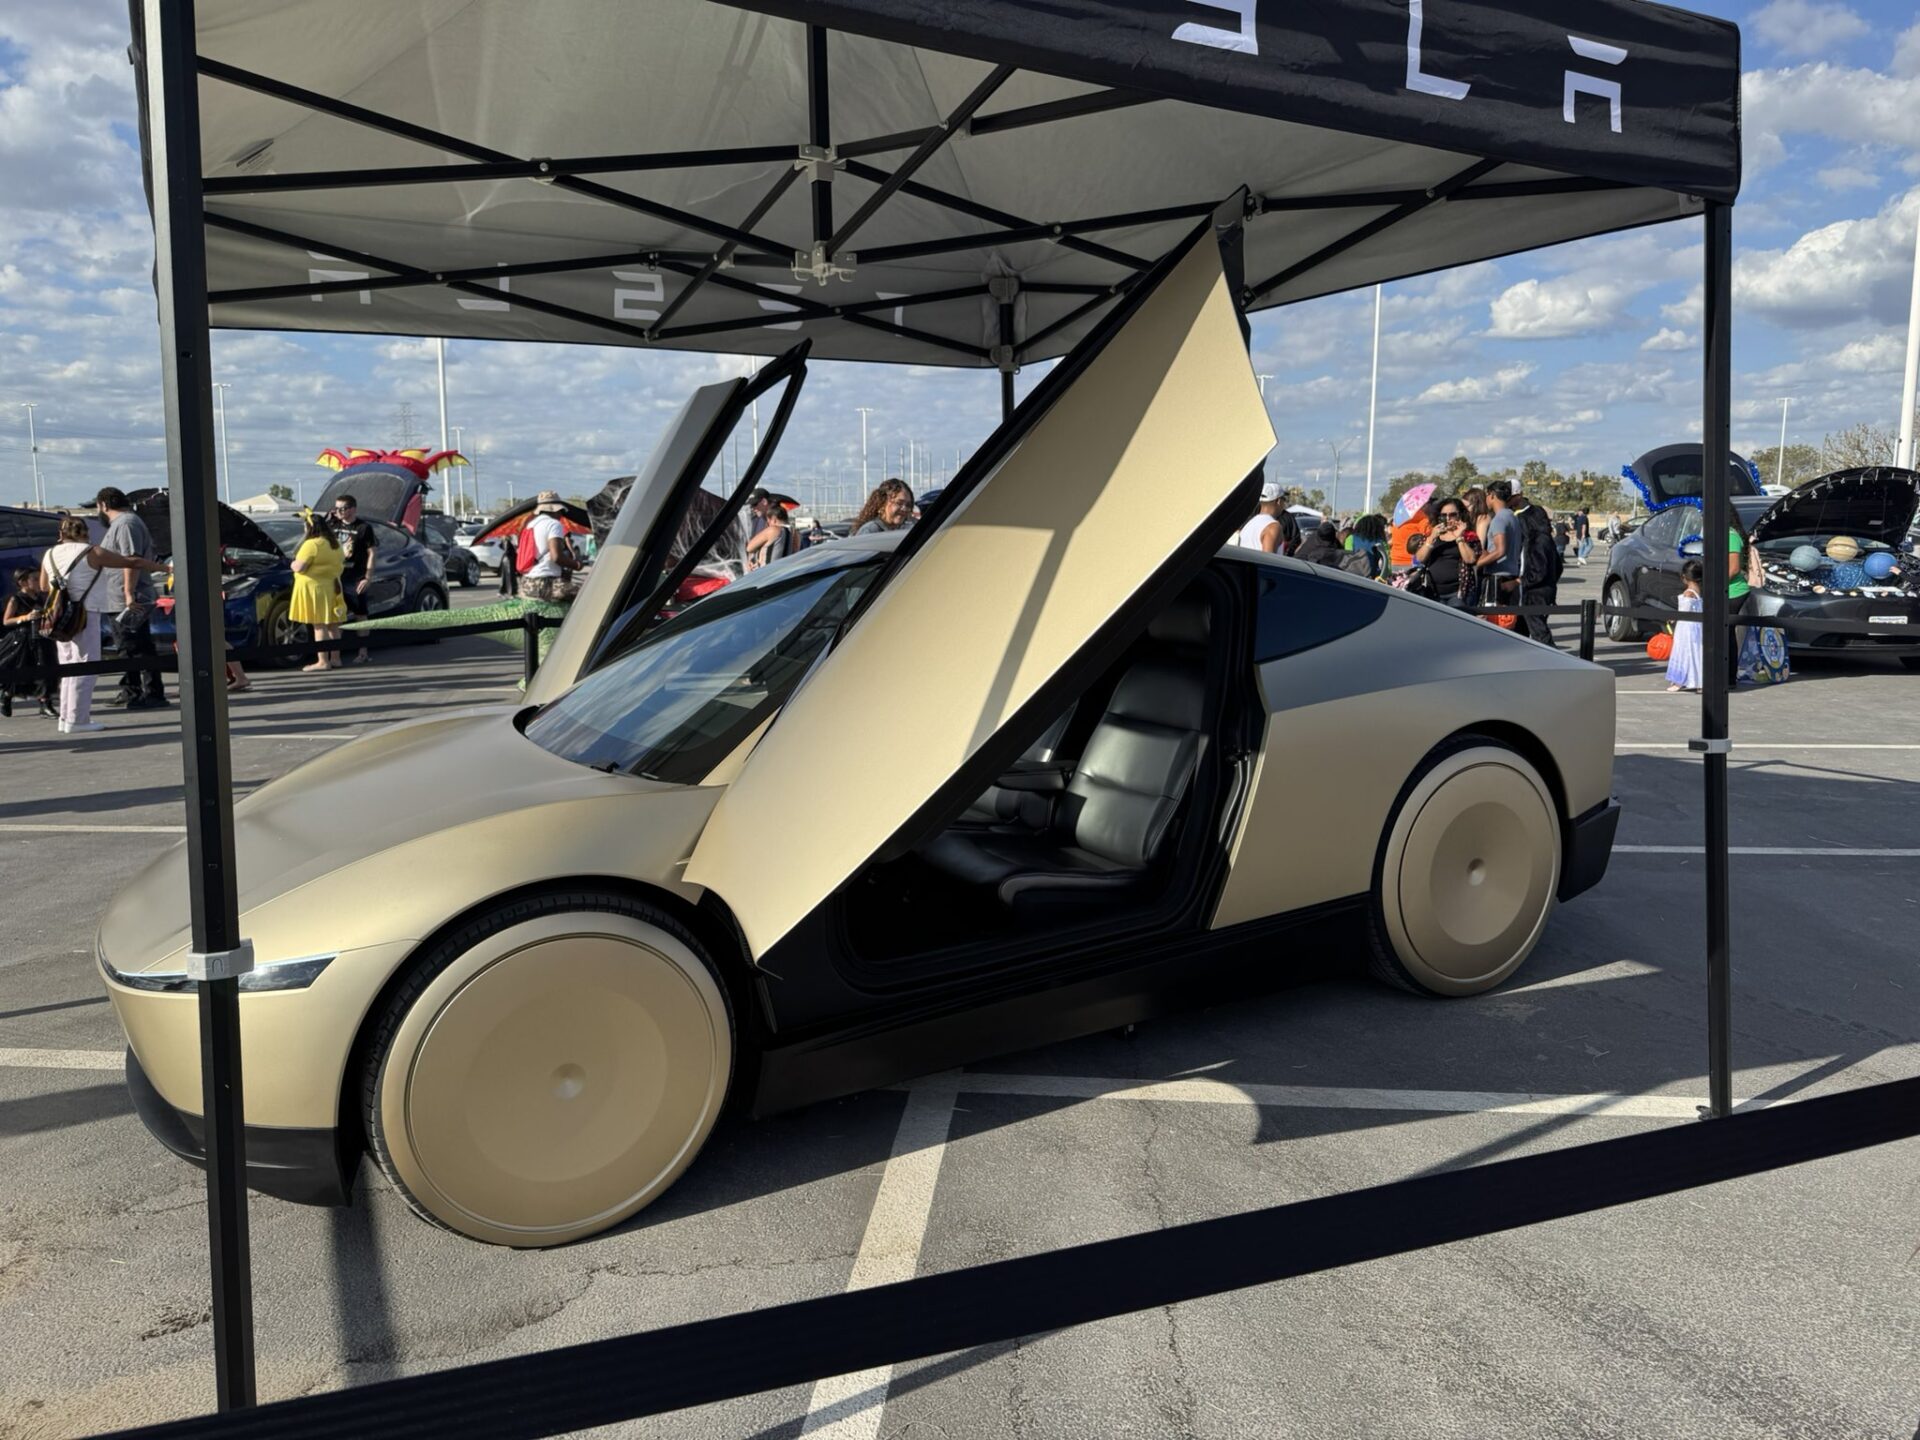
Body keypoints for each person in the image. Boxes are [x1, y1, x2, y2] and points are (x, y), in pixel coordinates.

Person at [39, 516, 167, 734]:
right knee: (87, 665)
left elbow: (43, 586)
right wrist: (164, 568)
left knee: (68, 666)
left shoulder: (50, 554)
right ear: (85, 532)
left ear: (62, 534)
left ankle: (66, 717)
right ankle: (78, 719)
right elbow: (132, 562)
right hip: (85, 612)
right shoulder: (93, 552)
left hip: (58, 615)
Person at [96, 487, 166, 710]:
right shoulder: (124, 523)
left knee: (135, 645)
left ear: (104, 504)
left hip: (128, 597)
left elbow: (132, 560)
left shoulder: (126, 524)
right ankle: (131, 690)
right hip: (120, 595)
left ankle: (149, 693)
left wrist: (128, 593)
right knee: (128, 645)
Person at [289, 511, 347, 672]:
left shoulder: (311, 544)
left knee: (319, 625)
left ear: (309, 527)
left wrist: (292, 564)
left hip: (315, 589)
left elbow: (300, 567)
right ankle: (336, 659)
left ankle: (323, 661)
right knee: (333, 625)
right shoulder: (334, 543)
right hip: (333, 587)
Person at [327, 493, 378, 663]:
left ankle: (363, 652)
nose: (340, 512)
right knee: (336, 615)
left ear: (353, 509)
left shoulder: (363, 528)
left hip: (355, 576)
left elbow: (372, 553)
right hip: (336, 576)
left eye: (343, 509)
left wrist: (368, 577)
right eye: (337, 509)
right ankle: (335, 655)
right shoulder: (332, 524)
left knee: (360, 614)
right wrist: (328, 516)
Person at [1510, 488, 1562, 647]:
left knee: (1539, 632)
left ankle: (1553, 662)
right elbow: (1558, 567)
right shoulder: (1544, 541)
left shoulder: (1539, 542)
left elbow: (1538, 570)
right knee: (1523, 632)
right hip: (1542, 590)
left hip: (1535, 593)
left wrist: (1519, 582)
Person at [2, 569, 56, 718]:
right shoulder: (16, 599)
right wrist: (25, 617)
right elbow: (6, 620)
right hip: (23, 639)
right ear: (23, 582)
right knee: (20, 670)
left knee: (46, 668)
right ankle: (7, 695)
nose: (39, 582)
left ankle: (46, 703)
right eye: (35, 579)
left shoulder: (42, 597)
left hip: (41, 637)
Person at [1412, 499, 1481, 607]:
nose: (1448, 519)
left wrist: (1459, 537)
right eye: (1443, 515)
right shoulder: (1431, 535)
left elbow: (1470, 559)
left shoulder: (1469, 536)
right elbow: (1420, 558)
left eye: (1452, 515)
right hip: (1433, 592)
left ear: (1460, 515)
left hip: (1458, 593)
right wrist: (1431, 539)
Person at [1472, 480, 1521, 620]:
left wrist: (1478, 565)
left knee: (1493, 622)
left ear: (1492, 495)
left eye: (1487, 495)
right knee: (1507, 621)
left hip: (1497, 578)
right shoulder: (1512, 516)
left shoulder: (1499, 519)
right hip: (1511, 573)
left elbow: (1500, 550)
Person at [521, 490, 581, 602]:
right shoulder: (554, 524)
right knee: (587, 594)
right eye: (561, 511)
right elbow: (556, 557)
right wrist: (577, 564)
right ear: (556, 510)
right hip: (545, 584)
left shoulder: (530, 525)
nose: (561, 515)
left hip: (527, 583)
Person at [1666, 558, 1705, 693]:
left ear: (1684, 577)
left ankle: (1679, 680)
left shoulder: (1688, 594)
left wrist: (1674, 617)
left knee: (1683, 651)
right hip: (1697, 627)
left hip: (1686, 628)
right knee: (1697, 653)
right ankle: (1698, 681)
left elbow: (1684, 611)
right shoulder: (1700, 593)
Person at [1233, 481, 1287, 552]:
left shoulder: (1249, 524)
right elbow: (1268, 559)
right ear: (1278, 501)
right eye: (1284, 499)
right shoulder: (1273, 526)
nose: (1284, 503)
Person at [745, 503, 792, 569]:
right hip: (782, 572)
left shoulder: (773, 530)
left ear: (774, 519)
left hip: (766, 573)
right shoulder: (792, 532)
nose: (768, 524)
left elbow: (749, 547)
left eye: (768, 521)